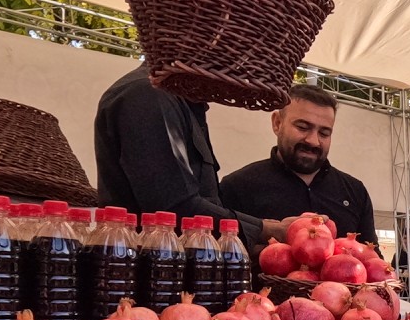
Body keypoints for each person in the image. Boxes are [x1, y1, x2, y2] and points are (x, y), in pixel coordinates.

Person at [94, 64, 293, 245]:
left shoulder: (183, 101)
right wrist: (265, 230)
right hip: (147, 266)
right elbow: (174, 208)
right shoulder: (148, 95)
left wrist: (261, 230)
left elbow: (199, 203)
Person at [219, 84, 377, 250]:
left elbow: (371, 256)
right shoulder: (237, 187)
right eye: (302, 127)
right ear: (277, 123)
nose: (313, 141)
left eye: (324, 133)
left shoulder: (355, 191)